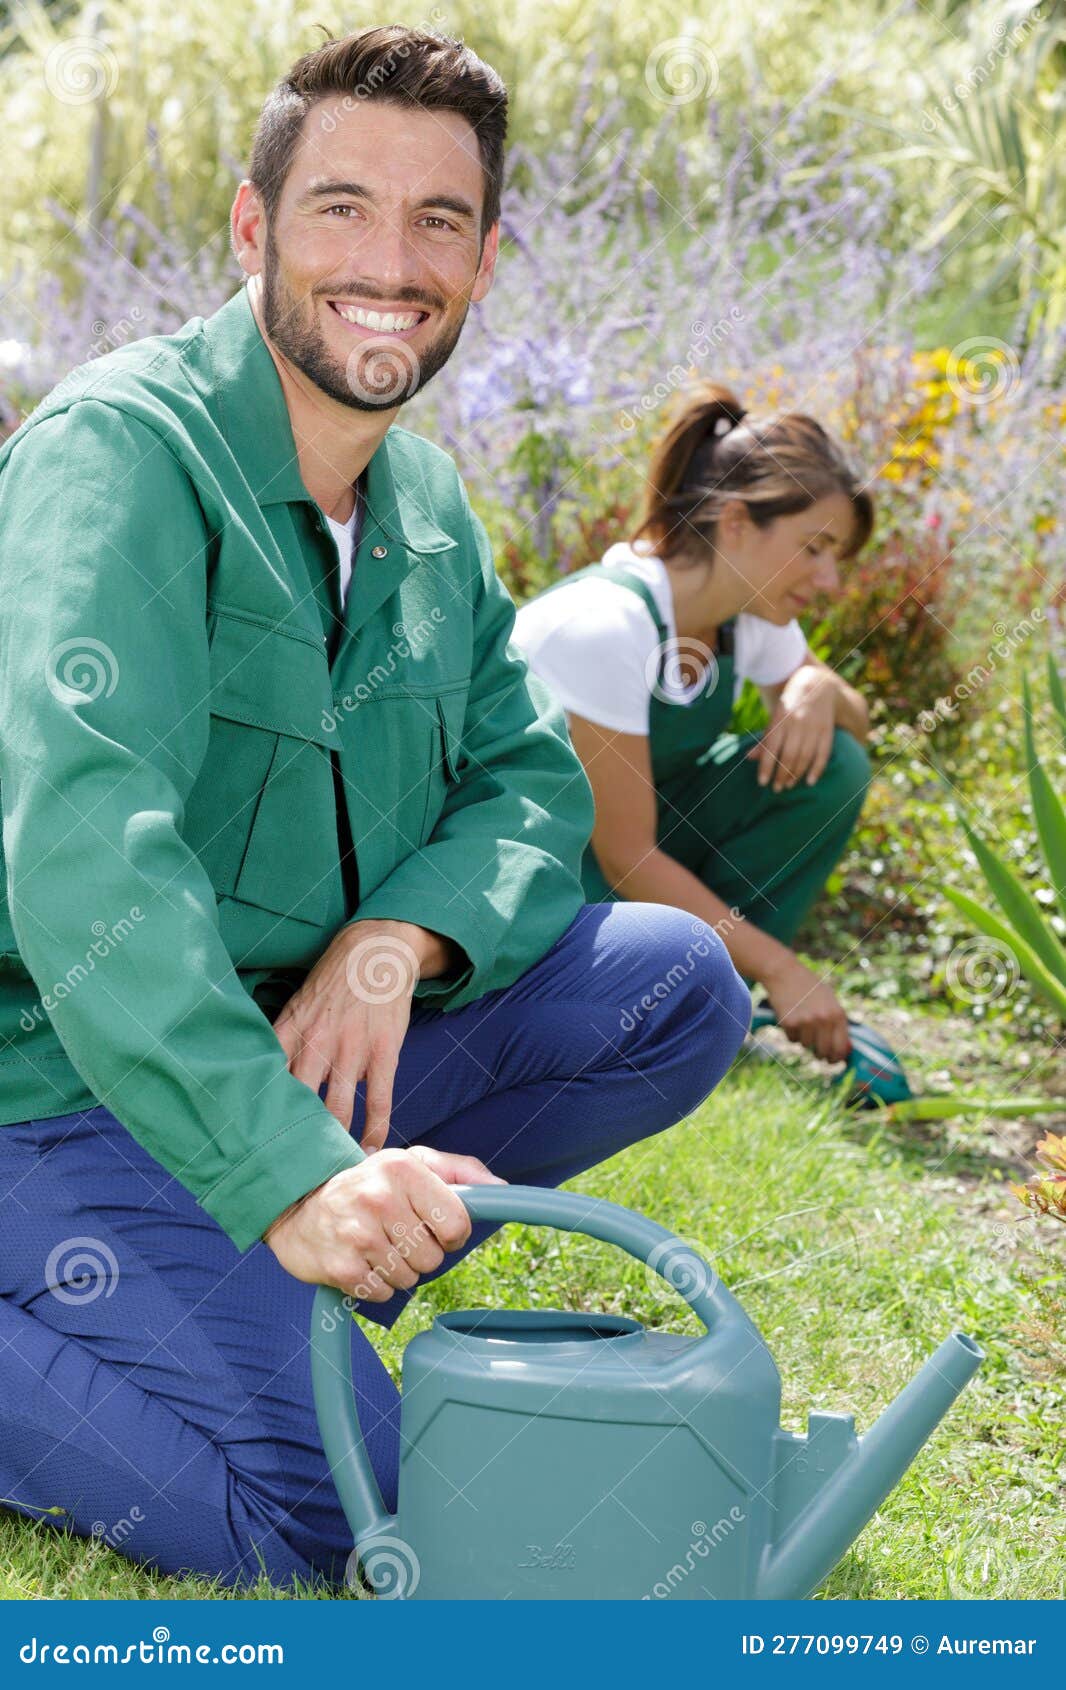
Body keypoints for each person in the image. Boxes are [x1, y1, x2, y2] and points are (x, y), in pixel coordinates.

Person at [0, 28, 751, 1592]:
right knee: (352, 1513)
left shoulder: (423, 508)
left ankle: (326, 1240)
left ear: (486, 259)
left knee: (674, 987)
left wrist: (396, 939)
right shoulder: (119, 459)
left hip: (289, 1032)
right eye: (341, 207)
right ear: (251, 227)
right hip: (56, 1082)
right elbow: (84, 855)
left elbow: (531, 786)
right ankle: (255, 1240)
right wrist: (284, 1165)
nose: (387, 263)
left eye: (437, 221)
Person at [513, 382, 874, 1065]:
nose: (830, 581)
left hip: (623, 872)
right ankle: (669, 1008)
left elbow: (856, 724)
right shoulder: (605, 625)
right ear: (736, 522)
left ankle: (706, 1008)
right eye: (815, 547)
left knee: (837, 765)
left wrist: (815, 687)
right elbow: (627, 855)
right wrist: (784, 968)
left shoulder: (741, 612)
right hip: (541, 883)